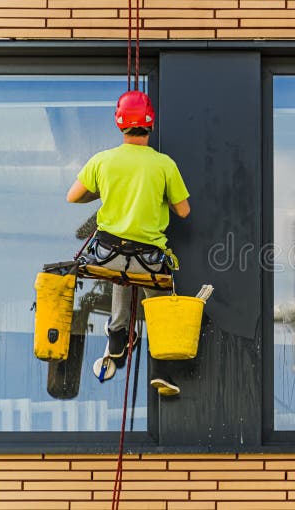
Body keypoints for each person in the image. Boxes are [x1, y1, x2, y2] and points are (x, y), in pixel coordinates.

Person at [66, 90, 191, 396]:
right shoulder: (164, 164)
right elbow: (184, 211)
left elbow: (73, 196)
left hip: (108, 255)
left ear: (119, 123)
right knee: (160, 302)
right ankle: (161, 370)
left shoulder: (103, 161)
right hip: (148, 258)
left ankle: (118, 336)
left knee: (121, 270)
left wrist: (106, 191)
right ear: (151, 124)